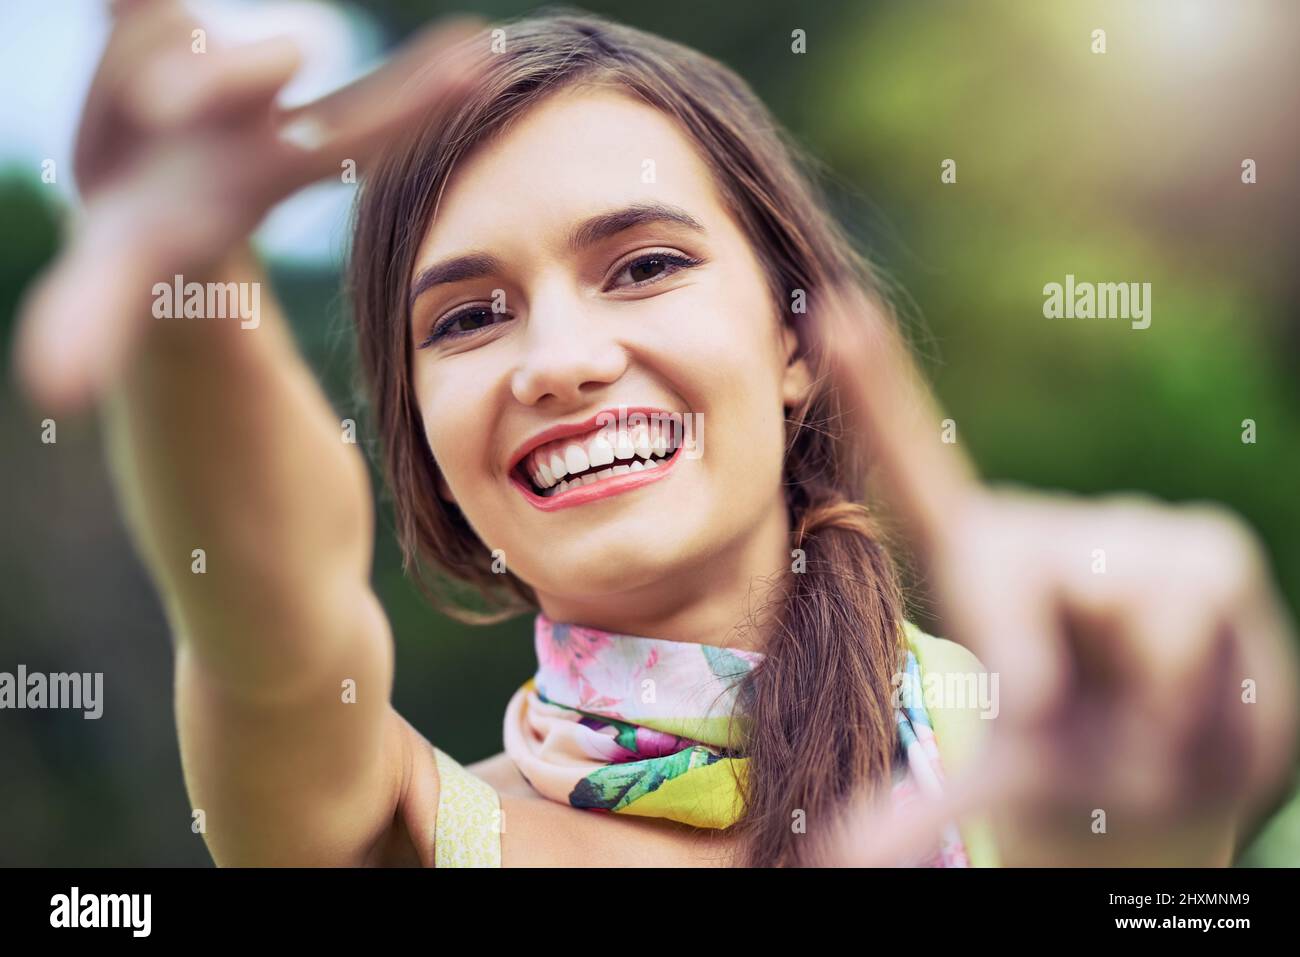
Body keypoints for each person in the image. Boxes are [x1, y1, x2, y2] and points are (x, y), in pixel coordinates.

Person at [15, 3, 1299, 867]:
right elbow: (269, 629)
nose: (561, 363)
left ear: (794, 342)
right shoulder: (415, 829)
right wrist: (194, 311)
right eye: (467, 318)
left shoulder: (1064, 738)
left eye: (640, 267)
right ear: (423, 441)